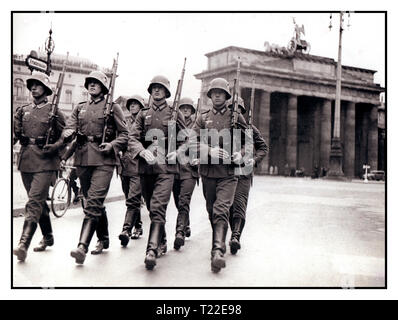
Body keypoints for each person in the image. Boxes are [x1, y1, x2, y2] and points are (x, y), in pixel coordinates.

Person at [63, 70, 128, 264]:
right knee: (90, 201)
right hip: (83, 158)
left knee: (93, 202)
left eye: (96, 83)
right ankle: (104, 238)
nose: (92, 85)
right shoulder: (80, 107)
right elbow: (70, 127)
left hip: (104, 160)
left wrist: (112, 145)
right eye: (90, 82)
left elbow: (125, 135)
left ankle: (82, 246)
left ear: (103, 87)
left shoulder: (113, 108)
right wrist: (67, 134)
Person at [129, 75, 186, 270]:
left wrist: (177, 152)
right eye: (154, 87)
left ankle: (151, 250)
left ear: (167, 91)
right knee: (152, 209)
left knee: (158, 206)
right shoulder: (142, 114)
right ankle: (161, 240)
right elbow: (132, 137)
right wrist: (141, 151)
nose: (156, 90)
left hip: (166, 168)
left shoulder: (174, 113)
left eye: (160, 88)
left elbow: (187, 139)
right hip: (146, 167)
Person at [191, 77, 247, 273]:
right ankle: (219, 242)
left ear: (226, 95)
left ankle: (217, 251)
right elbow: (191, 142)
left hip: (228, 173)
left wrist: (240, 154)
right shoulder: (202, 117)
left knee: (221, 210)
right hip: (208, 173)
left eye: (220, 92)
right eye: (213, 92)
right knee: (211, 211)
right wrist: (208, 150)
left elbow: (248, 142)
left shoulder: (236, 117)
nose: (216, 95)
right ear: (210, 95)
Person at [13, 72, 66, 261]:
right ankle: (48, 236)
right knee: (38, 201)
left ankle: (23, 244)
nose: (33, 88)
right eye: (31, 85)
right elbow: (14, 134)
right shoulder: (22, 110)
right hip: (26, 160)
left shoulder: (55, 111)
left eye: (37, 85)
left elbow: (67, 133)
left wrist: (57, 146)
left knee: (34, 201)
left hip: (46, 161)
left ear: (45, 89)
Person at [227, 97, 268, 255]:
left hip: (244, 172)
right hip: (226, 172)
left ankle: (236, 236)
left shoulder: (251, 129)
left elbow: (263, 147)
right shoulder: (223, 128)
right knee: (227, 207)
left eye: (238, 109)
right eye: (231, 108)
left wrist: (253, 160)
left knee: (239, 204)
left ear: (243, 112)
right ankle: (232, 232)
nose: (234, 112)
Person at [118, 95, 146, 247]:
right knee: (130, 198)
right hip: (125, 166)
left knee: (133, 199)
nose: (133, 106)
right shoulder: (125, 122)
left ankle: (126, 230)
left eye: (136, 104)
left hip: (139, 165)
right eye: (131, 104)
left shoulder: (145, 122)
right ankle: (139, 225)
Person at [172, 97, 199, 250]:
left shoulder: (197, 125)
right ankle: (186, 224)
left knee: (184, 200)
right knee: (178, 201)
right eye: (183, 108)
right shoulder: (174, 124)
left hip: (190, 169)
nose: (186, 110)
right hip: (175, 169)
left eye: (189, 108)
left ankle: (179, 232)